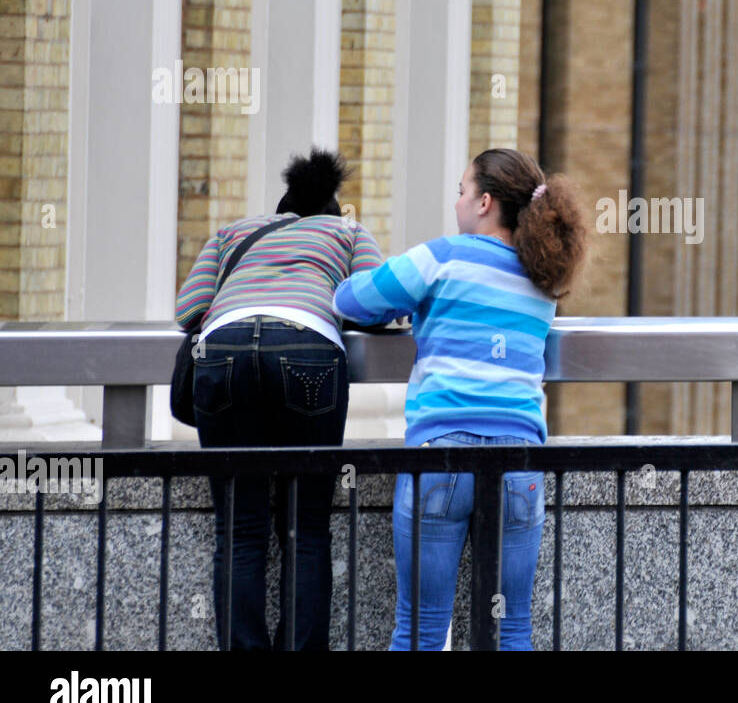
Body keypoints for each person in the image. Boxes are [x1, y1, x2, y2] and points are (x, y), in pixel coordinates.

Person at [333, 148, 588, 650]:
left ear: (485, 203)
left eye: (461, 191)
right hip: (520, 461)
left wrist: (410, 309)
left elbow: (352, 298)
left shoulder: (444, 256)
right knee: (513, 628)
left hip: (441, 456)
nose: (456, 204)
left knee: (421, 630)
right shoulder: (544, 282)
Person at [175, 147, 384, 650]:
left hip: (222, 349)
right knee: (305, 525)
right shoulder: (347, 232)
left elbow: (188, 310)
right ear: (332, 209)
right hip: (306, 346)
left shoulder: (233, 232)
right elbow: (376, 303)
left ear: (280, 208)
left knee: (239, 527)